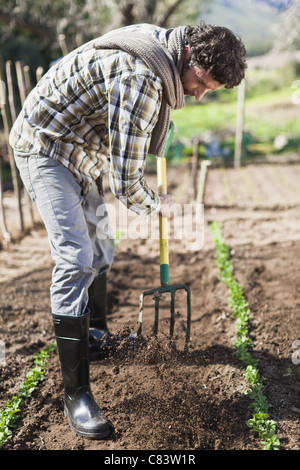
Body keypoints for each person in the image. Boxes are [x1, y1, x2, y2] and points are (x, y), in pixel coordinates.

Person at [9, 21, 247, 440]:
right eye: (201, 84)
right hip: (46, 147)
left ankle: (95, 333)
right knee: (76, 258)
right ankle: (76, 395)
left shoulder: (165, 47)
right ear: (188, 55)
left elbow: (125, 140)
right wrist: (161, 206)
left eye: (209, 90)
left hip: (82, 151)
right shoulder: (141, 78)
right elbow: (126, 185)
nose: (197, 94)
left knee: (102, 248)